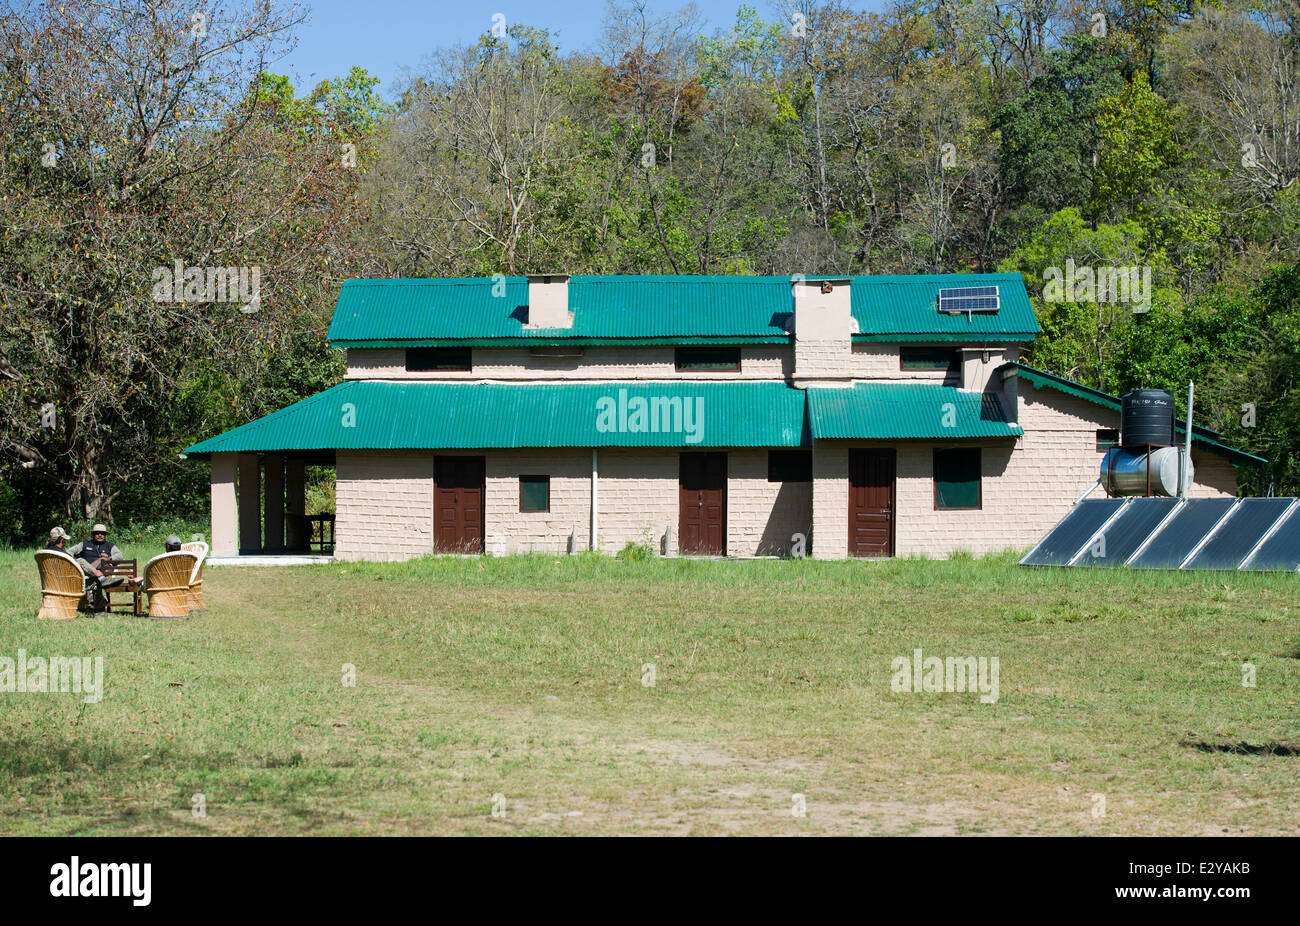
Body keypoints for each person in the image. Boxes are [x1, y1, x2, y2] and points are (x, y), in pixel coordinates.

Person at [68, 523, 139, 613]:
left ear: (105, 535)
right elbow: (69, 552)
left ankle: (99, 594)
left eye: (102, 533)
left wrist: (109, 558)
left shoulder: (110, 545)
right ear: (93, 534)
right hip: (86, 572)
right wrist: (75, 561)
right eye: (97, 533)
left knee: (105, 562)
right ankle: (102, 580)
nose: (100, 535)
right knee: (102, 560)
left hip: (99, 574)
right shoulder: (84, 544)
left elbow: (120, 556)